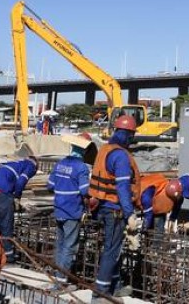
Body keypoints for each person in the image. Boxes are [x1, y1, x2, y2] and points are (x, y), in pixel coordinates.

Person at [88, 113, 140, 299]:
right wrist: (130, 214)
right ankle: (100, 292)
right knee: (112, 250)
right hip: (114, 209)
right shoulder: (121, 156)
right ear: (129, 134)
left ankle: (116, 286)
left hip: (100, 205)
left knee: (114, 248)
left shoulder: (105, 149)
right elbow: (123, 188)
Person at [46, 134, 92, 284]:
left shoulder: (60, 163)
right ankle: (61, 279)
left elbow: (50, 185)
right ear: (84, 150)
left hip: (58, 209)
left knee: (60, 244)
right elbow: (85, 191)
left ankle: (57, 274)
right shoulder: (81, 167)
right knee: (69, 246)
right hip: (72, 211)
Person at [0, 155, 38, 258]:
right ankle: (7, 255)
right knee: (6, 224)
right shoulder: (30, 166)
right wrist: (17, 196)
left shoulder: (14, 164)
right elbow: (21, 181)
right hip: (2, 192)